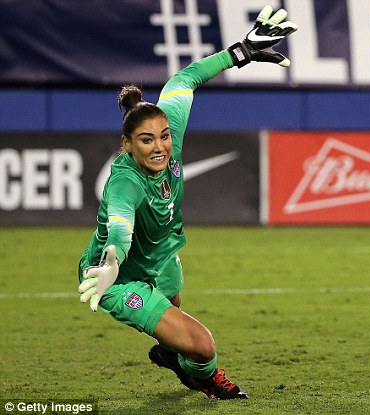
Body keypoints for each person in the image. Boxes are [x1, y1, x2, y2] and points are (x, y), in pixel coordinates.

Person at [77, 5, 297, 400]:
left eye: (163, 136)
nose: (161, 146)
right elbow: (120, 227)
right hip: (115, 276)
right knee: (203, 346)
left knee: (175, 304)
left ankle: (167, 352)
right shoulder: (124, 182)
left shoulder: (169, 127)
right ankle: (206, 376)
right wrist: (111, 263)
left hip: (161, 254)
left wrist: (240, 51)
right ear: (127, 146)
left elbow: (186, 78)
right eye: (147, 140)